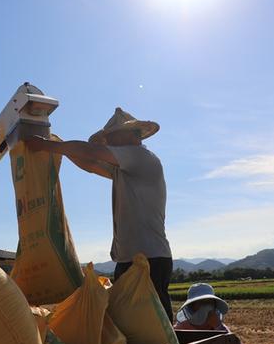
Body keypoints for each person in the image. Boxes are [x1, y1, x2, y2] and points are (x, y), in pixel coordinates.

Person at [25, 107, 174, 321]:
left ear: (133, 135)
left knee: (156, 327)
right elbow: (91, 163)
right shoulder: (124, 169)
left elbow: (91, 152)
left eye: (113, 135)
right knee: (130, 325)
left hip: (149, 259)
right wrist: (60, 149)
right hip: (128, 259)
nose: (110, 140)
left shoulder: (141, 157)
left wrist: (46, 145)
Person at [174, 283, 244, 344]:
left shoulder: (220, 328)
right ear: (191, 307)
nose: (206, 307)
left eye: (209, 303)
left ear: (215, 306)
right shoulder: (180, 329)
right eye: (201, 303)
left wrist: (218, 327)